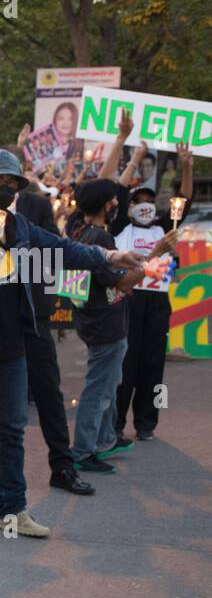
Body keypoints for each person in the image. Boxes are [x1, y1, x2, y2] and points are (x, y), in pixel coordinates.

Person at [0, 150, 140, 544]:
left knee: (11, 430)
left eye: (10, 185)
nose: (2, 191)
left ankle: (13, 509)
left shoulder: (20, 227)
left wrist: (109, 255)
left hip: (15, 344)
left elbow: (64, 249)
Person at [10, 161, 96, 496]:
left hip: (34, 313)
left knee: (48, 391)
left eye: (8, 177)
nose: (1, 183)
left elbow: (55, 250)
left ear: (20, 180)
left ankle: (62, 466)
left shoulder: (37, 207)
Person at [114, 142, 193, 441]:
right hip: (129, 299)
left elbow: (183, 200)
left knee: (154, 363)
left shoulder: (164, 228)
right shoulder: (120, 228)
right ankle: (116, 421)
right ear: (131, 207)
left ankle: (148, 421)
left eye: (150, 200)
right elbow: (119, 194)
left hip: (159, 302)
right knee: (126, 362)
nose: (146, 204)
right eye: (140, 201)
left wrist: (186, 165)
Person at [69, 178, 146, 474]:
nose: (117, 204)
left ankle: (105, 438)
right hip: (105, 323)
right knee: (99, 388)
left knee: (109, 382)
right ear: (105, 205)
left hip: (93, 319)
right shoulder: (100, 240)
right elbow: (118, 281)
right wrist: (147, 267)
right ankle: (83, 451)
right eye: (113, 200)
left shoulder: (79, 228)